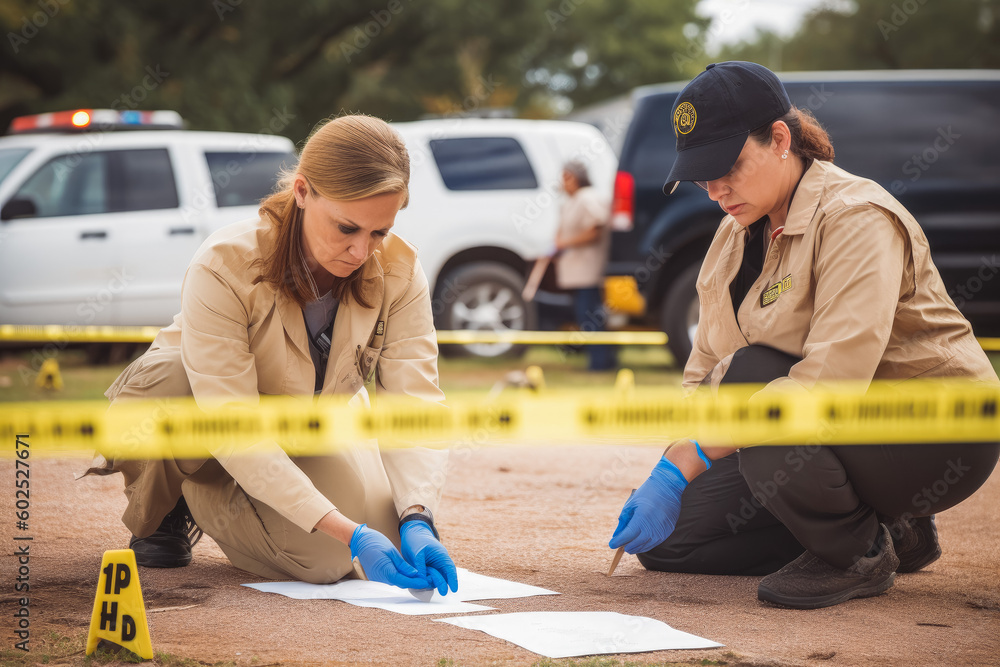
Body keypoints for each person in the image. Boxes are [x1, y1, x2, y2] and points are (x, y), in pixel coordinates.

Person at [608, 62, 1000, 609]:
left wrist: (691, 455)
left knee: (752, 380)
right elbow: (706, 370)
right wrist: (672, 466)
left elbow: (829, 384)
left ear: (779, 140)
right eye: (701, 177)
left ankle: (857, 551)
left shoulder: (856, 217)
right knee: (674, 541)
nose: (716, 189)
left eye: (728, 166)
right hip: (820, 437)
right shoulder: (732, 236)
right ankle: (893, 532)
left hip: (932, 434)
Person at [92, 114, 458, 595]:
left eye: (379, 233)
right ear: (303, 192)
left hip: (306, 424)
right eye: (347, 227)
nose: (360, 251)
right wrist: (346, 532)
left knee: (381, 536)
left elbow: (415, 401)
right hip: (210, 424)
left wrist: (418, 517)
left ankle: (291, 502)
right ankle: (179, 496)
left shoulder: (401, 271)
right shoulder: (223, 263)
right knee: (329, 553)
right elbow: (230, 420)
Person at [554, 160, 616, 371]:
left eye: (567, 177)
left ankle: (600, 362)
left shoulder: (587, 198)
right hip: (578, 269)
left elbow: (595, 228)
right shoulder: (573, 200)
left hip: (588, 268)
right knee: (586, 315)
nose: (563, 183)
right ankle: (600, 359)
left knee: (589, 315)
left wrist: (565, 243)